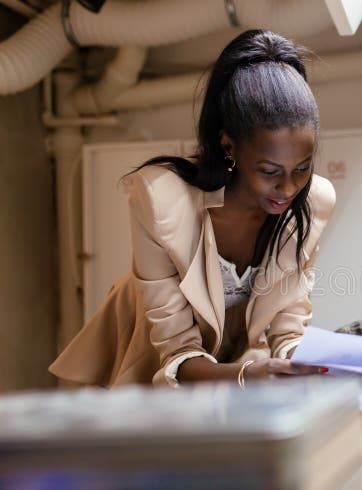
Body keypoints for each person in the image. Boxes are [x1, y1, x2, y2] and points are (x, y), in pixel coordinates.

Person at [49, 30, 335, 388]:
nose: (289, 188)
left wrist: (315, 362)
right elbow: (176, 355)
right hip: (151, 366)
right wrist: (247, 374)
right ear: (229, 147)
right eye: (269, 171)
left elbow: (287, 330)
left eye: (303, 167)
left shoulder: (314, 201)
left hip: (242, 366)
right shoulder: (162, 198)